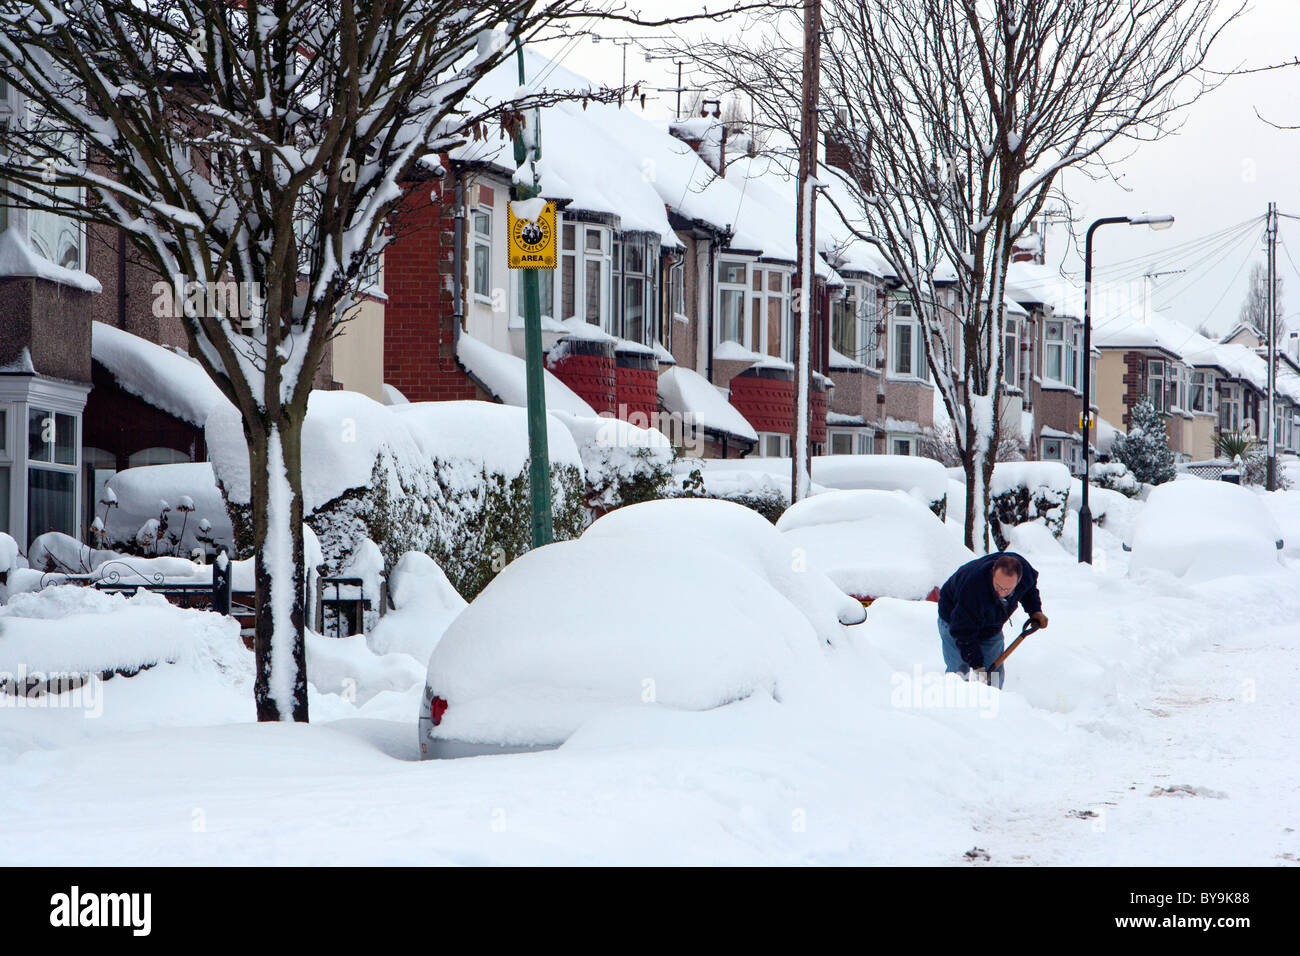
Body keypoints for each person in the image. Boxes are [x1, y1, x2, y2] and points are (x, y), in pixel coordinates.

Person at [937, 552, 1048, 688]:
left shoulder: (1026, 575)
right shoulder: (974, 587)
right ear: (992, 573)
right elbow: (962, 632)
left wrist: (1035, 611)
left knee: (993, 676)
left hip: (991, 625)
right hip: (955, 622)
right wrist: (977, 665)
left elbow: (1029, 591)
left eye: (1007, 589)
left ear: (1018, 581)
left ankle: (994, 702)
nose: (1001, 593)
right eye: (998, 586)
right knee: (959, 674)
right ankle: (955, 704)